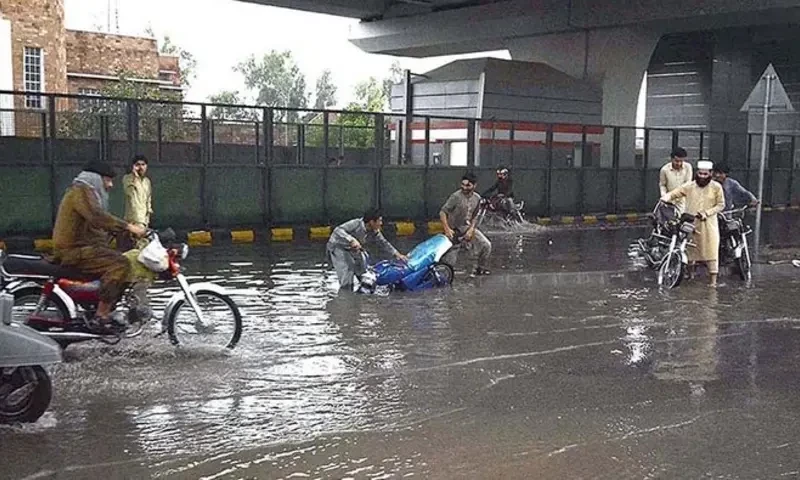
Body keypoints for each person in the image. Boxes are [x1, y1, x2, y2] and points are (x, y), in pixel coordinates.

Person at [51, 161, 147, 333]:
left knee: (122, 258)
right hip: (74, 251)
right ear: (94, 178)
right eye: (108, 180)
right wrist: (128, 227)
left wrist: (122, 232)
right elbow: (97, 217)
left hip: (84, 248)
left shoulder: (87, 193)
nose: (110, 185)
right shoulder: (80, 192)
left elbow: (98, 225)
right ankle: (101, 315)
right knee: (120, 263)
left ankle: (103, 306)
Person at [661, 160, 725, 287]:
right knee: (689, 249)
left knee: (711, 252)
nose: (702, 176)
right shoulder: (689, 186)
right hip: (691, 222)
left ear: (710, 174)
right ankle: (690, 275)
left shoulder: (716, 187)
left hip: (709, 224)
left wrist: (707, 213)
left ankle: (713, 281)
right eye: (700, 174)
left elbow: (721, 205)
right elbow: (675, 193)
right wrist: (665, 198)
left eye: (705, 174)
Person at [327, 209, 408, 290]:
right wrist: (351, 240)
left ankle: (363, 293)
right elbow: (338, 230)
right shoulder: (356, 224)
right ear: (371, 222)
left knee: (363, 269)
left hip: (354, 249)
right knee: (348, 271)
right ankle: (346, 294)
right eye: (379, 221)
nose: (381, 223)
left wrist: (397, 254)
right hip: (338, 246)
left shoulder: (375, 231)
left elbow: (384, 243)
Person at [440, 171, 492, 276]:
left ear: (474, 185)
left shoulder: (477, 198)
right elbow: (443, 212)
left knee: (486, 245)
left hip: (467, 228)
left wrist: (471, 229)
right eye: (462, 185)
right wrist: (447, 229)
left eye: (468, 185)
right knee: (449, 262)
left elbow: (475, 216)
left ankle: (480, 269)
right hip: (453, 230)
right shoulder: (456, 196)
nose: (464, 188)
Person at [120, 154, 153, 251]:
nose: (141, 167)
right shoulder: (128, 178)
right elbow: (128, 192)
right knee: (134, 245)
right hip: (133, 218)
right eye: (138, 164)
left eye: (143, 164)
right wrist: (135, 176)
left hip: (144, 219)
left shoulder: (147, 181)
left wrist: (149, 213)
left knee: (143, 245)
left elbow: (148, 198)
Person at [659, 147, 693, 213]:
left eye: (681, 161)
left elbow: (688, 183)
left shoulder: (688, 167)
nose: (679, 163)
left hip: (684, 200)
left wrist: (677, 193)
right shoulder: (664, 169)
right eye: (676, 161)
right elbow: (662, 185)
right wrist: (664, 195)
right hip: (669, 201)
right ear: (671, 159)